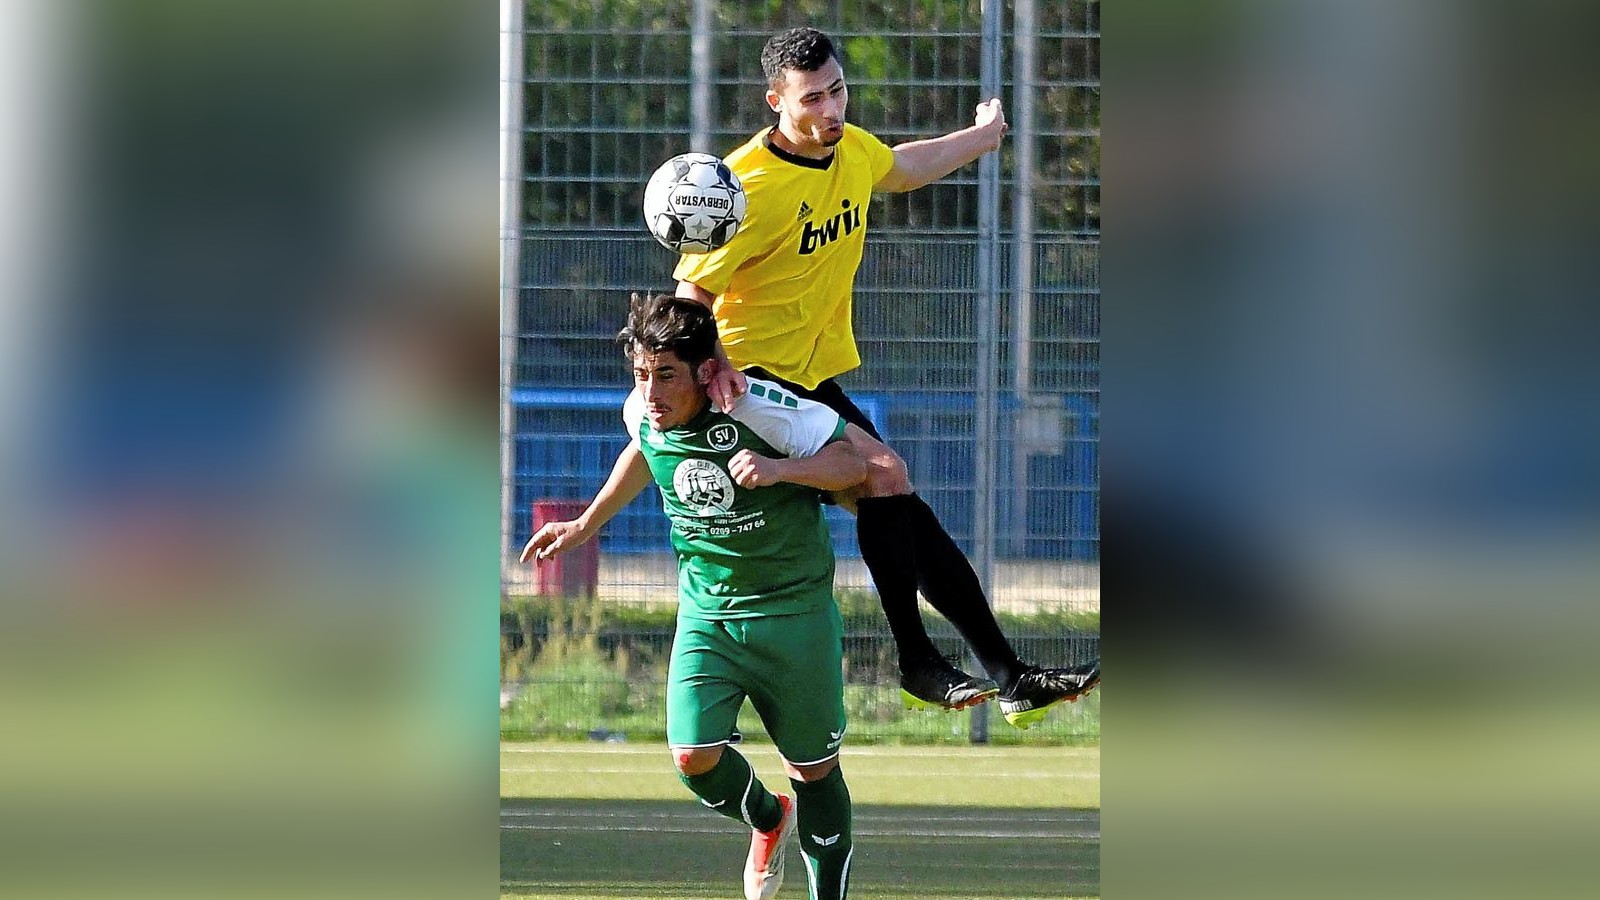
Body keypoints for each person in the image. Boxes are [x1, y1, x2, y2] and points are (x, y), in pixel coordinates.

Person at [673, 26, 1098, 727]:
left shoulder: (847, 150)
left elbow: (900, 166)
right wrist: (710, 365)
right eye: (812, 99)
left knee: (905, 513)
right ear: (776, 100)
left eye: (837, 90)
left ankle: (1010, 678)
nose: (830, 109)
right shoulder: (746, 186)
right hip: (751, 381)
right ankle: (918, 663)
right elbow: (692, 290)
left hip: (808, 377)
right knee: (884, 474)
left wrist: (981, 138)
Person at [523, 294, 864, 900]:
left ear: (707, 371)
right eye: (641, 375)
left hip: (794, 614)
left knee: (814, 771)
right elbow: (643, 451)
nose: (650, 392)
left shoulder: (763, 411)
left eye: (666, 376)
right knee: (692, 756)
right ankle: (769, 818)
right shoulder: (644, 411)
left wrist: (780, 470)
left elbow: (852, 464)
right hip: (707, 614)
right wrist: (585, 525)